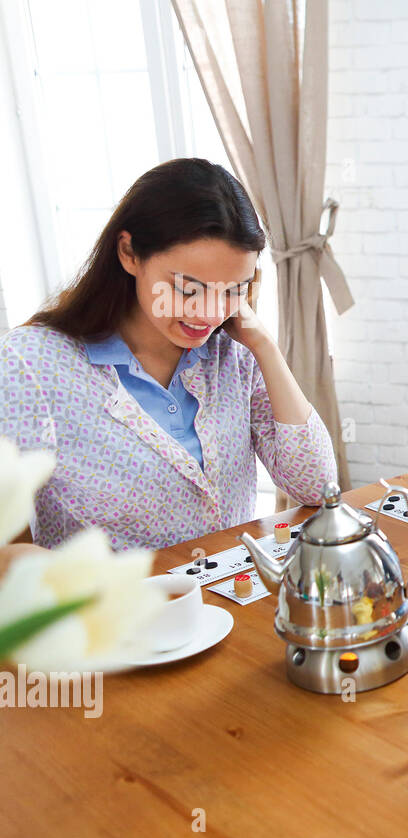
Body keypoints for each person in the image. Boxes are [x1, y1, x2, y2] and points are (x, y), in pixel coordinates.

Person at [0, 158, 337, 551]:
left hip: (236, 604)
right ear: (128, 253)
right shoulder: (32, 365)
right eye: (188, 288)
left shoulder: (233, 353)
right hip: (121, 609)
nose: (210, 313)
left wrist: (264, 345)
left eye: (234, 289)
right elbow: (9, 549)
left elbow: (315, 486)